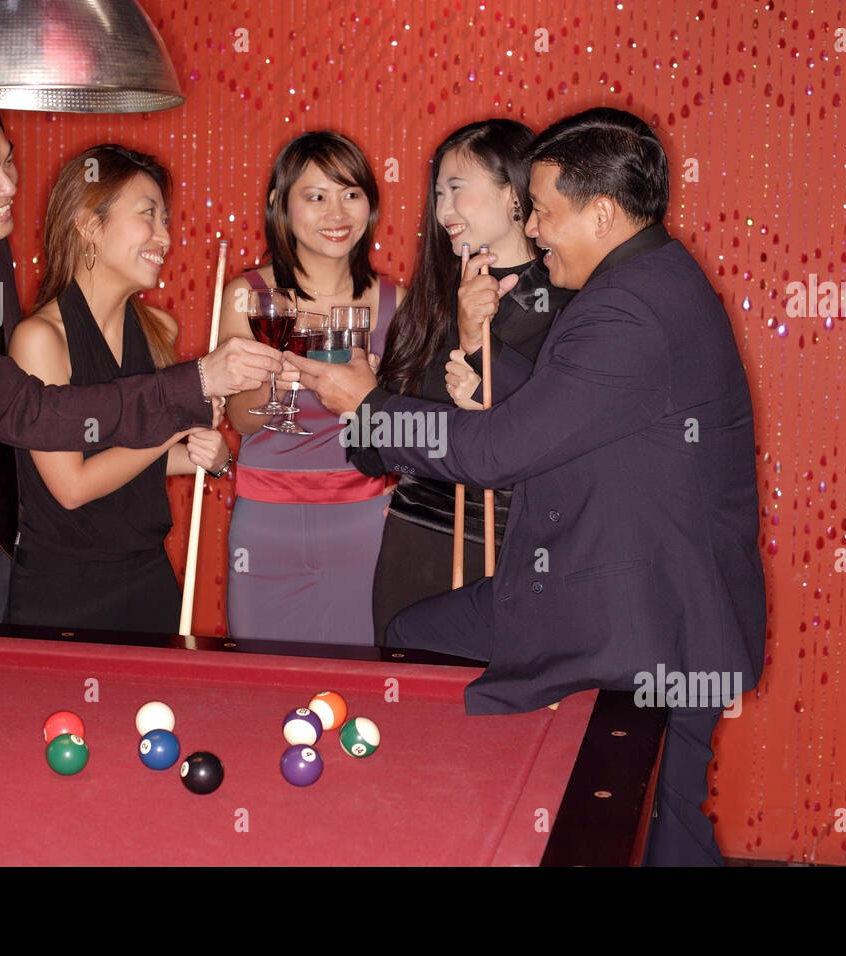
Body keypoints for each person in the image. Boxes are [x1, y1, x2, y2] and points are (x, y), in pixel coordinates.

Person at [293, 107, 766, 865]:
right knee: (418, 641)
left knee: (664, 825)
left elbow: (502, 449)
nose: (536, 231)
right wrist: (481, 367)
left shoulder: (626, 309)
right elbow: (583, 419)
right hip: (617, 601)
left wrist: (369, 408)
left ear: (602, 212)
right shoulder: (652, 281)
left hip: (651, 627)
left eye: (544, 212)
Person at [0, 104, 280, 624]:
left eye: (8, 162)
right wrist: (194, 384)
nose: (8, 186)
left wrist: (188, 442)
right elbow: (35, 415)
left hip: (1, 543)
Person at [353, 119, 575, 644]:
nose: (443, 211)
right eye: (437, 195)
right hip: (414, 544)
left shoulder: (569, 306)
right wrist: (363, 406)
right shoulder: (429, 302)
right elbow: (366, 449)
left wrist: (480, 348)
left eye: (457, 190)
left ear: (514, 194)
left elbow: (545, 437)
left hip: (518, 554)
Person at [4, 145, 232, 633]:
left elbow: (133, 459)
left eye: (166, 219)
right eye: (148, 215)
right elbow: (73, 486)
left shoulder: (158, 331)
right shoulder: (39, 340)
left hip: (149, 579)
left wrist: (203, 458)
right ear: (88, 224)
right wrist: (174, 418)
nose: (166, 236)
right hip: (63, 594)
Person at [219, 131, 404, 645]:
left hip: (367, 520)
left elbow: (408, 421)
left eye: (351, 194)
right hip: (268, 524)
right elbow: (240, 420)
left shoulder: (398, 302)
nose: (336, 212)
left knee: (366, 672)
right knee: (263, 673)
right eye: (316, 196)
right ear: (281, 203)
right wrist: (274, 382)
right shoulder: (249, 296)